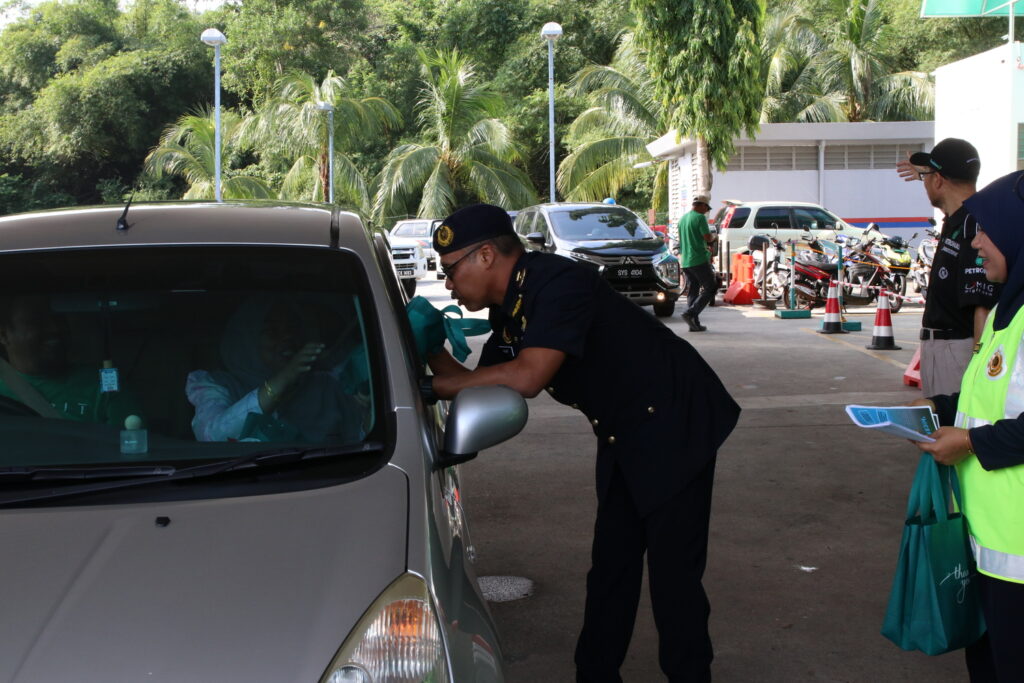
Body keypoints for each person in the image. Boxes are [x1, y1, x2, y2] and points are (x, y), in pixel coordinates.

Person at [423, 203, 740, 682]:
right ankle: (594, 673)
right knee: (612, 565)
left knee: (674, 575)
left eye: (450, 271)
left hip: (675, 419)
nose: (448, 285)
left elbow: (528, 377)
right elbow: (484, 382)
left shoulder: (557, 283)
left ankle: (690, 675)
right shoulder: (510, 308)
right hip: (622, 428)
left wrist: (436, 386)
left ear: (485, 256)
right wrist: (425, 349)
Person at [909, 170, 1024, 682]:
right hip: (985, 542)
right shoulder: (1006, 312)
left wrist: (971, 441)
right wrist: (937, 424)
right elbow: (986, 403)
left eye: (987, 229)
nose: (975, 242)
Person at [186, 296, 367, 443]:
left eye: (293, 328)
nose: (287, 337)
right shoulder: (216, 385)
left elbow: (360, 442)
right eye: (272, 331)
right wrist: (284, 378)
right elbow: (212, 436)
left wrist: (368, 410)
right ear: (247, 340)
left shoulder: (327, 386)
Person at [897, 138, 999, 395]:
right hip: (942, 348)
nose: (924, 183)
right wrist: (927, 173)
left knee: (951, 427)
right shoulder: (959, 220)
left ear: (939, 180)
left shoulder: (971, 227)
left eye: (927, 178)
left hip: (957, 351)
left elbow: (982, 306)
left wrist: (979, 367)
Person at [0, 294, 137, 425]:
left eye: (60, 319)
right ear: (4, 335)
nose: (55, 328)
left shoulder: (105, 383)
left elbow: (131, 443)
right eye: (37, 321)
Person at [676, 194, 716, 332]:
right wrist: (713, 237)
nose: (706, 211)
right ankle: (691, 313)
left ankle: (694, 324)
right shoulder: (700, 218)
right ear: (701, 205)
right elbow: (707, 237)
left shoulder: (682, 219)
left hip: (686, 261)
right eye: (706, 207)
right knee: (711, 287)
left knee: (693, 291)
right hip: (698, 259)